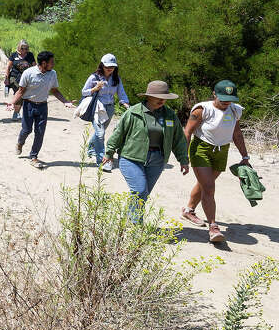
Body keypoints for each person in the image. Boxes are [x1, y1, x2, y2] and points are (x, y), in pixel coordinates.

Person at [102, 80, 189, 221]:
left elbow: (178, 139)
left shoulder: (169, 115)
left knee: (143, 194)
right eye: (158, 97)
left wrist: (183, 160)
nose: (162, 100)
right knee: (139, 190)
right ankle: (136, 223)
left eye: (165, 98)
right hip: (131, 157)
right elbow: (119, 133)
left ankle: (130, 220)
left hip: (157, 159)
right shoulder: (133, 112)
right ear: (149, 97)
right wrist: (109, 152)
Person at [181, 80, 252, 242]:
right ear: (214, 94)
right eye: (223, 98)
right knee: (209, 187)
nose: (227, 102)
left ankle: (188, 210)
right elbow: (188, 132)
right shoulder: (202, 109)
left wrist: (245, 157)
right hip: (201, 149)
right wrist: (184, 156)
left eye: (230, 99)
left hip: (222, 151)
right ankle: (213, 227)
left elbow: (237, 134)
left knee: (205, 184)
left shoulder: (235, 110)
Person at [7, 51, 75, 168]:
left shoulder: (52, 74)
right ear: (44, 63)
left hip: (43, 106)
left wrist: (65, 101)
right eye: (51, 62)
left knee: (40, 133)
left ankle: (33, 156)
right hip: (28, 105)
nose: (53, 64)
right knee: (26, 130)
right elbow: (21, 91)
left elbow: (55, 91)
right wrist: (12, 103)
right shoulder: (29, 73)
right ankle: (20, 143)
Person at [81, 53, 130, 169]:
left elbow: (121, 93)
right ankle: (102, 161)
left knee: (100, 132)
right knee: (100, 133)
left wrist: (126, 104)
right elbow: (84, 92)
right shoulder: (94, 77)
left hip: (110, 108)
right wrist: (95, 88)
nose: (110, 68)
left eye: (112, 66)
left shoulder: (116, 79)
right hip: (97, 108)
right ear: (102, 65)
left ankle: (91, 149)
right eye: (107, 66)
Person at [5, 40, 35, 120]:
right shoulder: (14, 55)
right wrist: (6, 78)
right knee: (19, 94)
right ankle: (16, 113)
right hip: (15, 78)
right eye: (22, 48)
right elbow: (8, 67)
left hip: (27, 78)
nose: (24, 50)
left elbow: (34, 66)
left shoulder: (30, 55)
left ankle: (21, 112)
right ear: (19, 48)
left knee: (25, 95)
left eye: (26, 48)